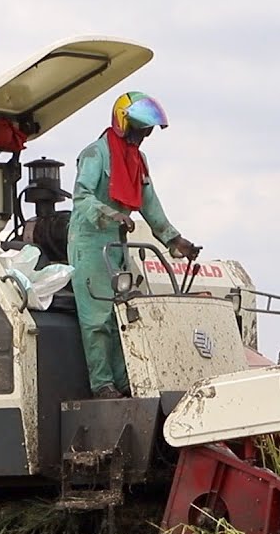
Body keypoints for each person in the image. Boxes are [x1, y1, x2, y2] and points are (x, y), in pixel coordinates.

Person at [67, 91, 201, 399]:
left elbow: (149, 202)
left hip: (117, 241)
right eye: (140, 130)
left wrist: (173, 238)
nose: (143, 137)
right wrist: (111, 213)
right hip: (89, 242)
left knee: (120, 316)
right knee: (97, 317)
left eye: (147, 132)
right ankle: (102, 385)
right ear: (123, 123)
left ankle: (124, 382)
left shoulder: (137, 160)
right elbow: (81, 198)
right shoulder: (95, 154)